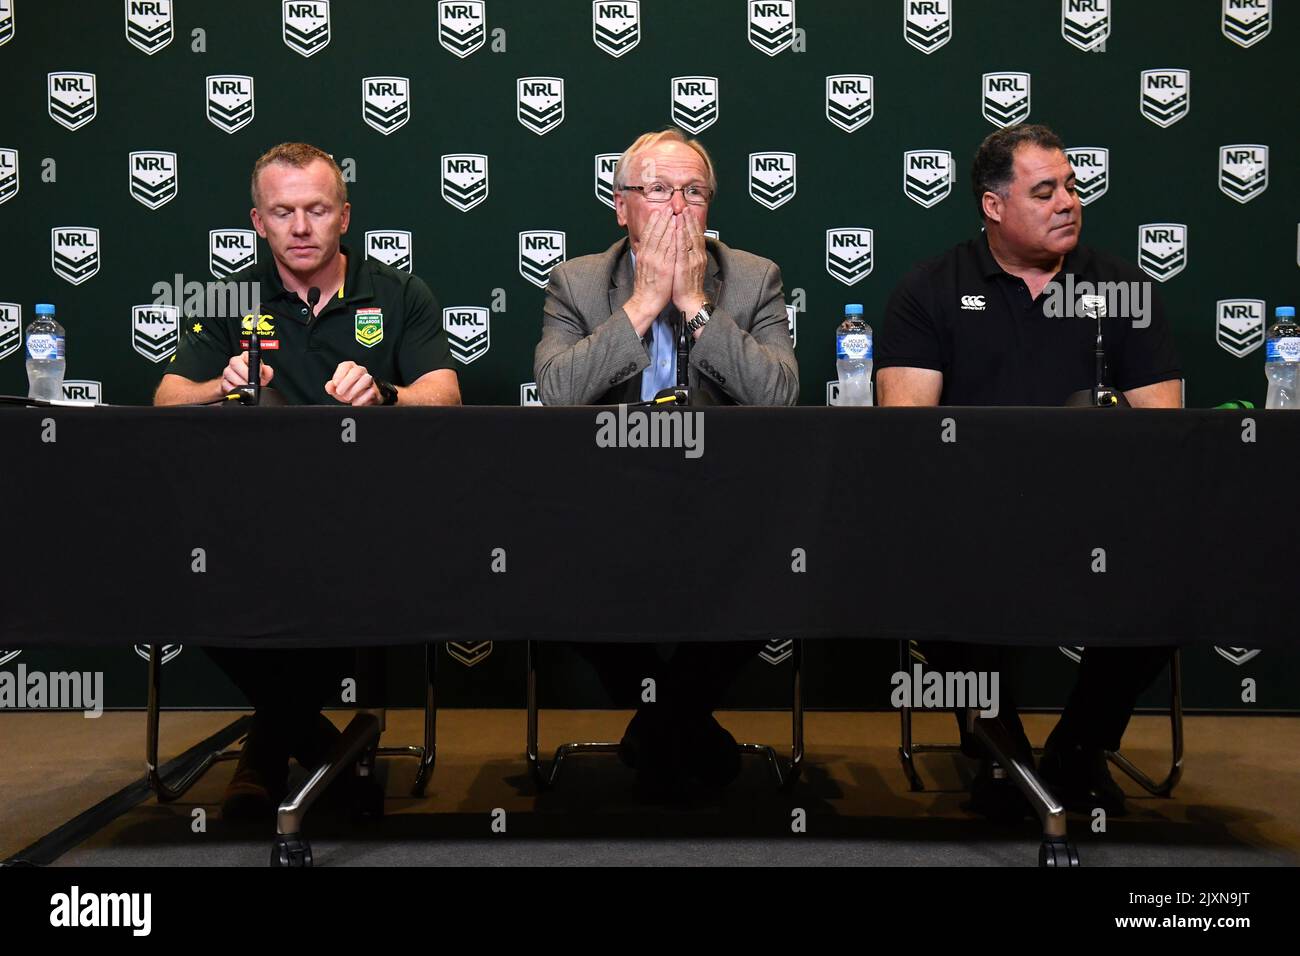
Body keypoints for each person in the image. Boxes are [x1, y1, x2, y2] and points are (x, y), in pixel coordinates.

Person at [876, 123, 1182, 819]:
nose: (1068, 202)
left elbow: (1164, 434)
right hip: (973, 522)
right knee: (931, 556)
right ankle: (998, 755)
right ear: (993, 206)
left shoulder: (1124, 290)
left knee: (1175, 564)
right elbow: (906, 435)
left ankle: (1078, 752)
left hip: (1101, 523)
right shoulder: (930, 289)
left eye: (1072, 187)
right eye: (1045, 192)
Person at [155, 142, 461, 820]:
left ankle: (266, 752)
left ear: (344, 215)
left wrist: (385, 391)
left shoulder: (399, 293)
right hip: (248, 522)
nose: (300, 227)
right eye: (283, 212)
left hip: (368, 520)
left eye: (317, 210)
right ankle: (324, 748)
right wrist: (220, 384)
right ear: (258, 222)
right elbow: (167, 401)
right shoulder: (230, 297)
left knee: (334, 571)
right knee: (180, 568)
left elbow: (445, 397)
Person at [534, 128, 798, 793]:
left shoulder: (753, 277)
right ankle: (682, 723)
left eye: (693, 192)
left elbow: (779, 396)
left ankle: (660, 722)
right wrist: (644, 305)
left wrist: (696, 306)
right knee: (552, 566)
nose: (677, 208)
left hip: (727, 508)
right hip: (608, 506)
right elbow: (558, 393)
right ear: (621, 207)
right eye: (657, 191)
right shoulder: (577, 282)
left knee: (786, 558)